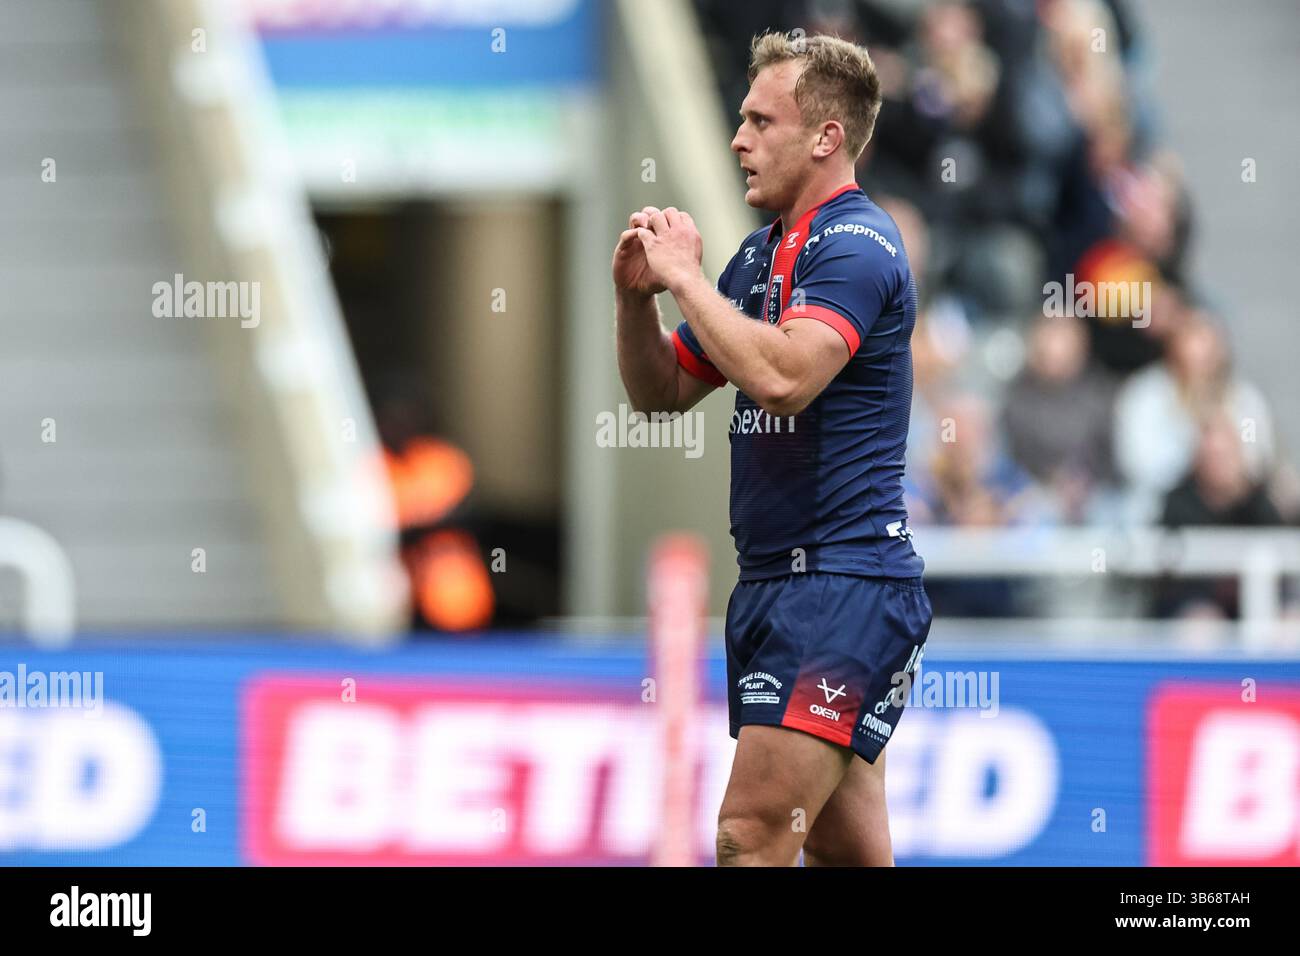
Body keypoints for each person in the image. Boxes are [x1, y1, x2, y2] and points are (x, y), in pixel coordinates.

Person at [611, 31, 931, 866]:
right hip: (773, 586)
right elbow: (660, 395)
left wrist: (684, 276)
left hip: (840, 584)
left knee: (747, 837)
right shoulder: (757, 258)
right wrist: (636, 301)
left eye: (760, 120)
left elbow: (787, 379)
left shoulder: (860, 245)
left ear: (825, 136)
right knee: (845, 854)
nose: (737, 138)